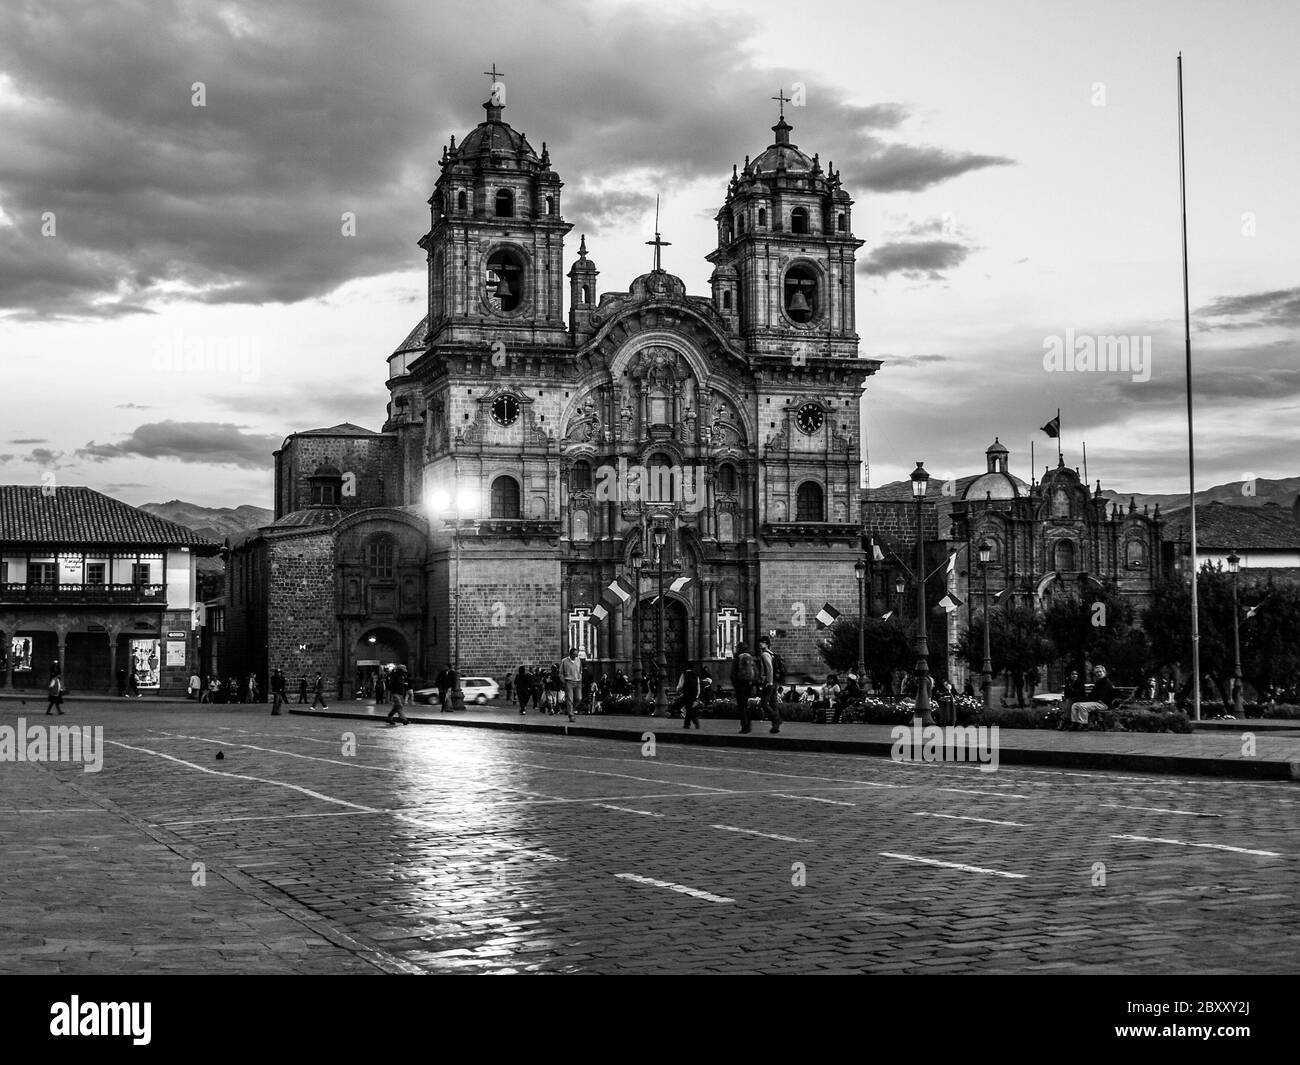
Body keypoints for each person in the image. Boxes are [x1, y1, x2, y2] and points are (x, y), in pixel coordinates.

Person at [1069, 665, 1116, 729]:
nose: (1098, 674)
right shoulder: (1098, 682)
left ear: (1104, 672)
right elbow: (1092, 695)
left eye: (1100, 672)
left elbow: (1103, 696)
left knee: (1082, 706)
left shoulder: (1106, 682)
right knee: (1075, 705)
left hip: (1103, 704)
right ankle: (1075, 723)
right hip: (1096, 702)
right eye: (1097, 672)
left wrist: (1091, 700)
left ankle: (1083, 724)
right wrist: (1084, 700)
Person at [731, 642, 757, 734]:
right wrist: (753, 684)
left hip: (740, 684)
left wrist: (735, 685)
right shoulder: (750, 657)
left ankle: (744, 727)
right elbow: (756, 672)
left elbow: (733, 673)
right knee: (746, 705)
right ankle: (749, 726)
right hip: (748, 684)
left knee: (741, 706)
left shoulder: (737, 658)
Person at [758, 635, 780, 734]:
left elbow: (769, 668)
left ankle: (776, 719)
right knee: (773, 703)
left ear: (767, 643)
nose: (760, 644)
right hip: (775, 681)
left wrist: (769, 682)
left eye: (762, 642)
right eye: (760, 642)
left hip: (769, 681)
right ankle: (775, 726)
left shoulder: (765, 654)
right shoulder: (772, 653)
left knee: (764, 703)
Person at [676, 662, 702, 730]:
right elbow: (698, 685)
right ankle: (690, 723)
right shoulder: (696, 675)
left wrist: (678, 690)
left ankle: (690, 723)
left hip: (686, 693)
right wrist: (697, 695)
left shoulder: (684, 674)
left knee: (689, 709)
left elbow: (681, 684)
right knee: (690, 709)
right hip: (694, 694)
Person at [560, 647, 582, 722]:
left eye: (576, 655)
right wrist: (563, 682)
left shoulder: (578, 660)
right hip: (568, 681)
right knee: (570, 699)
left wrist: (580, 678)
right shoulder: (564, 661)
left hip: (578, 682)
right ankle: (571, 715)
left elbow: (580, 671)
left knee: (579, 698)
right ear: (570, 654)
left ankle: (571, 709)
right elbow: (561, 673)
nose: (575, 656)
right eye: (573, 654)